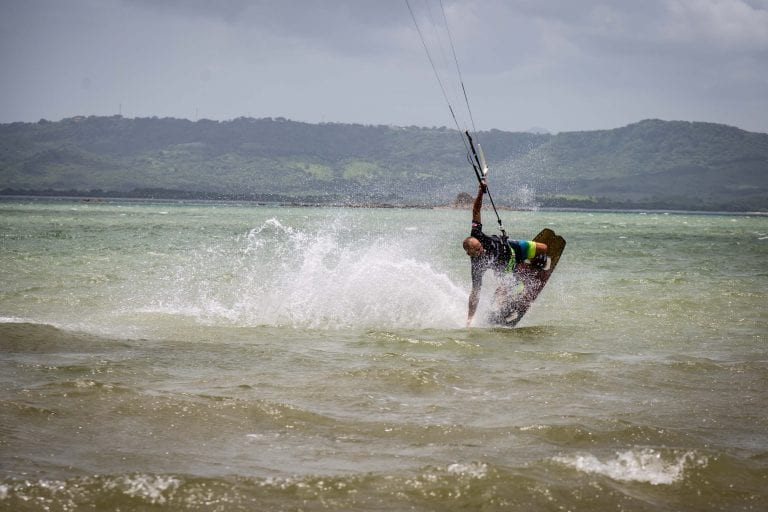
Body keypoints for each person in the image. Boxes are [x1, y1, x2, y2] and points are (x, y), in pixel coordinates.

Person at [463, 179, 548, 327]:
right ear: (469, 254)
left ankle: (528, 265)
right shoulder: (476, 266)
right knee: (515, 290)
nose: (481, 249)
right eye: (476, 250)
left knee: (544, 248)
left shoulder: (476, 234)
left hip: (513, 248)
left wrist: (480, 191)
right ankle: (501, 304)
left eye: (480, 246)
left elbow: (476, 210)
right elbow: (474, 294)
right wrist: (470, 319)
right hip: (507, 269)